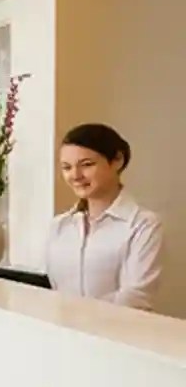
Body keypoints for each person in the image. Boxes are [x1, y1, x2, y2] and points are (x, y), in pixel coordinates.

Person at [45, 123, 165, 311]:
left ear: (117, 160)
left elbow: (136, 297)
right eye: (67, 167)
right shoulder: (59, 226)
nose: (75, 175)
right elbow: (55, 288)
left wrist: (75, 314)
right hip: (65, 334)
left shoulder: (142, 225)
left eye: (86, 165)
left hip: (118, 335)